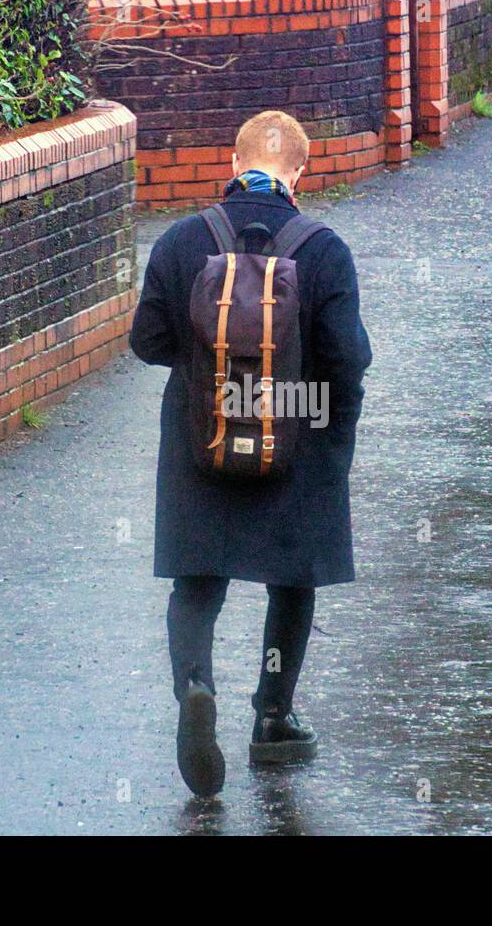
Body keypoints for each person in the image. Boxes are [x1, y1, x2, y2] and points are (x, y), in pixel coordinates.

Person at [129, 110, 372, 797]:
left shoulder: (183, 241)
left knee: (197, 580)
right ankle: (272, 718)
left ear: (232, 164)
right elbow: (347, 360)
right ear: (301, 171)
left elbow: (147, 341)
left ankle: (196, 683)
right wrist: (329, 438)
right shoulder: (323, 249)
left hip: (200, 439)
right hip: (295, 441)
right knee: (290, 580)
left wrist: (209, 370)